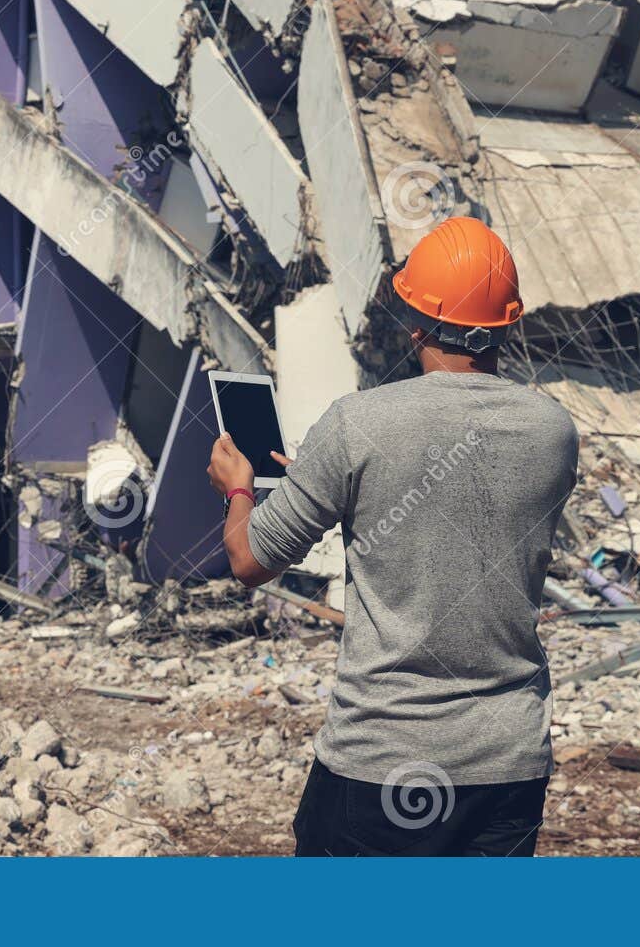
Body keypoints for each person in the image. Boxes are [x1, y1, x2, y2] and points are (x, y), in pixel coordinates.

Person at [207, 215, 578, 856]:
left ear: (416, 322)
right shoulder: (554, 431)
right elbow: (463, 502)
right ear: (506, 326)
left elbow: (248, 561)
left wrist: (241, 488)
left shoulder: (359, 425)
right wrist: (340, 482)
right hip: (506, 764)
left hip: (378, 758)